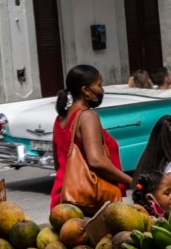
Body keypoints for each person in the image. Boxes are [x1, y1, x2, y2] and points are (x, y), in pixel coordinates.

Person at [48, 65, 132, 212]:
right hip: (85, 202)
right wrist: (131, 180)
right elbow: (96, 161)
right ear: (85, 90)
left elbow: (58, 164)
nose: (102, 90)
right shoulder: (87, 116)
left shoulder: (59, 119)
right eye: (99, 85)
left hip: (62, 199)